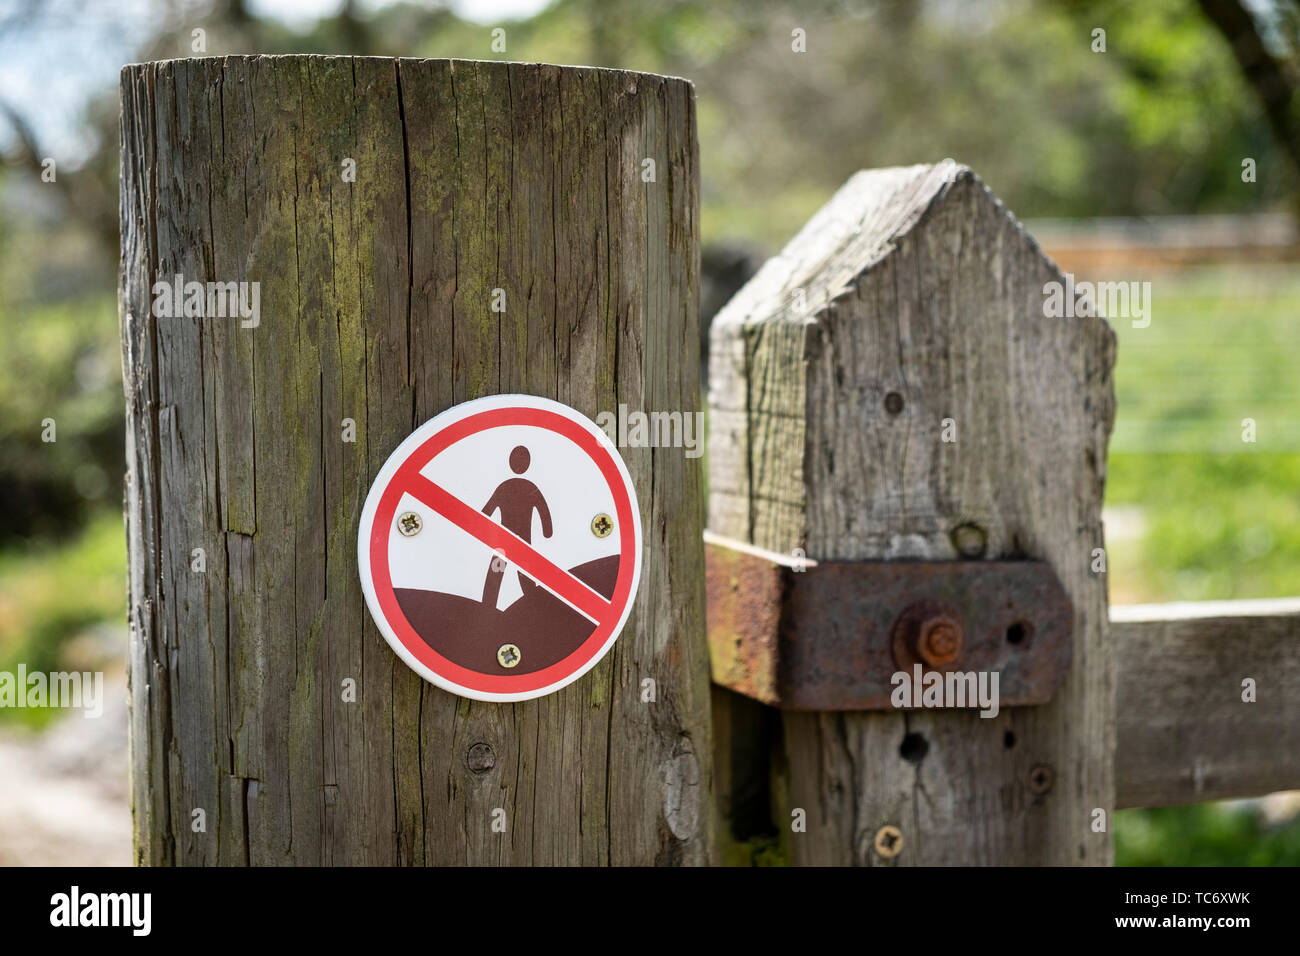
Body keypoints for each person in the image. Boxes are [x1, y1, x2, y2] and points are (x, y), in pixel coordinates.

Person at [480, 445, 552, 607]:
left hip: (504, 542)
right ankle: (532, 605)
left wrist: (483, 530)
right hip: (521, 542)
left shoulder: (504, 487)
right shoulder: (530, 487)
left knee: (496, 574)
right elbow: (544, 513)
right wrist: (547, 532)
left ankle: (488, 606)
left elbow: (485, 513)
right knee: (524, 574)